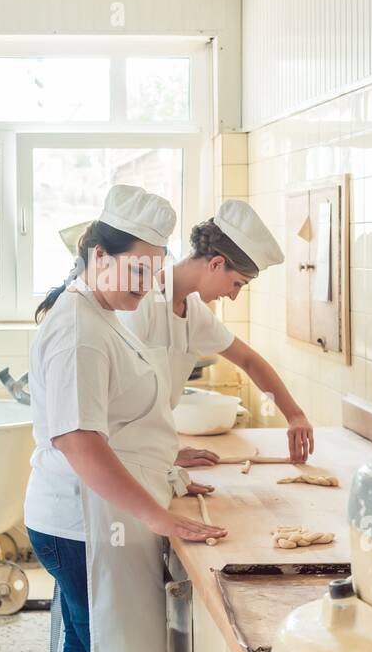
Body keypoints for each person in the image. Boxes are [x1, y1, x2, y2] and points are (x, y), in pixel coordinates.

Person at [24, 185, 226, 652]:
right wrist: (158, 516)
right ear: (98, 257)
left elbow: (113, 415)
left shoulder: (99, 312)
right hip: (80, 522)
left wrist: (165, 455)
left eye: (154, 273)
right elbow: (78, 440)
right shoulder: (78, 329)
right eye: (137, 271)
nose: (147, 285)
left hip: (87, 516)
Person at [117, 199, 315, 466]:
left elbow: (248, 360)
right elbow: (118, 401)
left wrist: (295, 415)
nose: (233, 296)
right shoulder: (141, 301)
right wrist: (165, 454)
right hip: (119, 458)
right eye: (237, 284)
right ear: (216, 264)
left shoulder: (192, 311)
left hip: (147, 455)